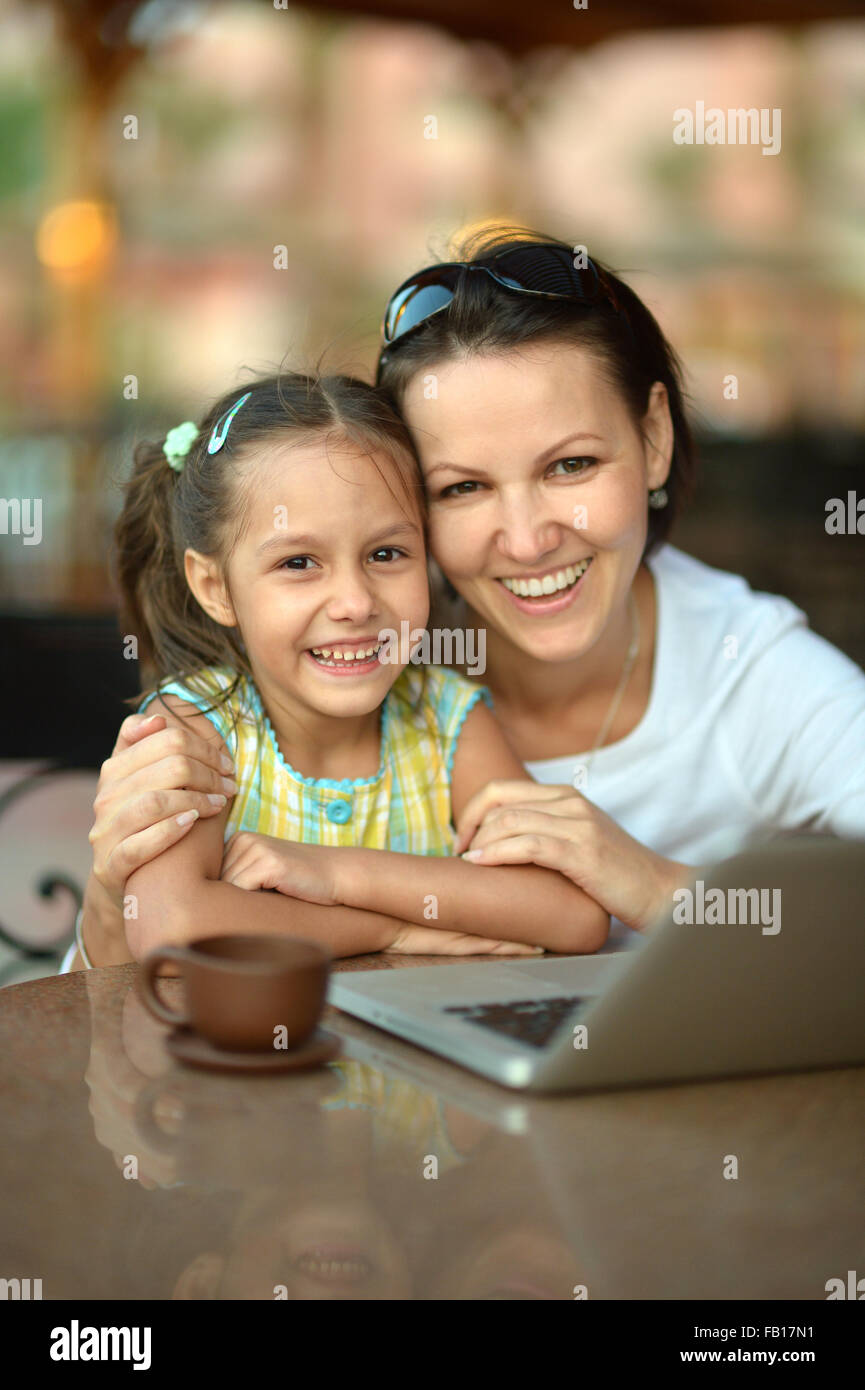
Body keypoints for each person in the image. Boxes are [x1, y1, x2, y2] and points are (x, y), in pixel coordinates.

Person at [70, 231, 865, 970]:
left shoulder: (750, 673)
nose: (524, 541)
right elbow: (131, 971)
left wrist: (658, 887)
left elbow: (567, 918)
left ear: (653, 438)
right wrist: (108, 908)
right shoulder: (346, 654)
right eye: (463, 487)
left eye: (570, 466)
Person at [64, 369, 608, 971]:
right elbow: (176, 929)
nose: (355, 602)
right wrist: (394, 932)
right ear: (215, 586)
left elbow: (574, 913)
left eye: (386, 554)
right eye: (299, 562)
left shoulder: (449, 719)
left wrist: (337, 873)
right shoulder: (195, 729)